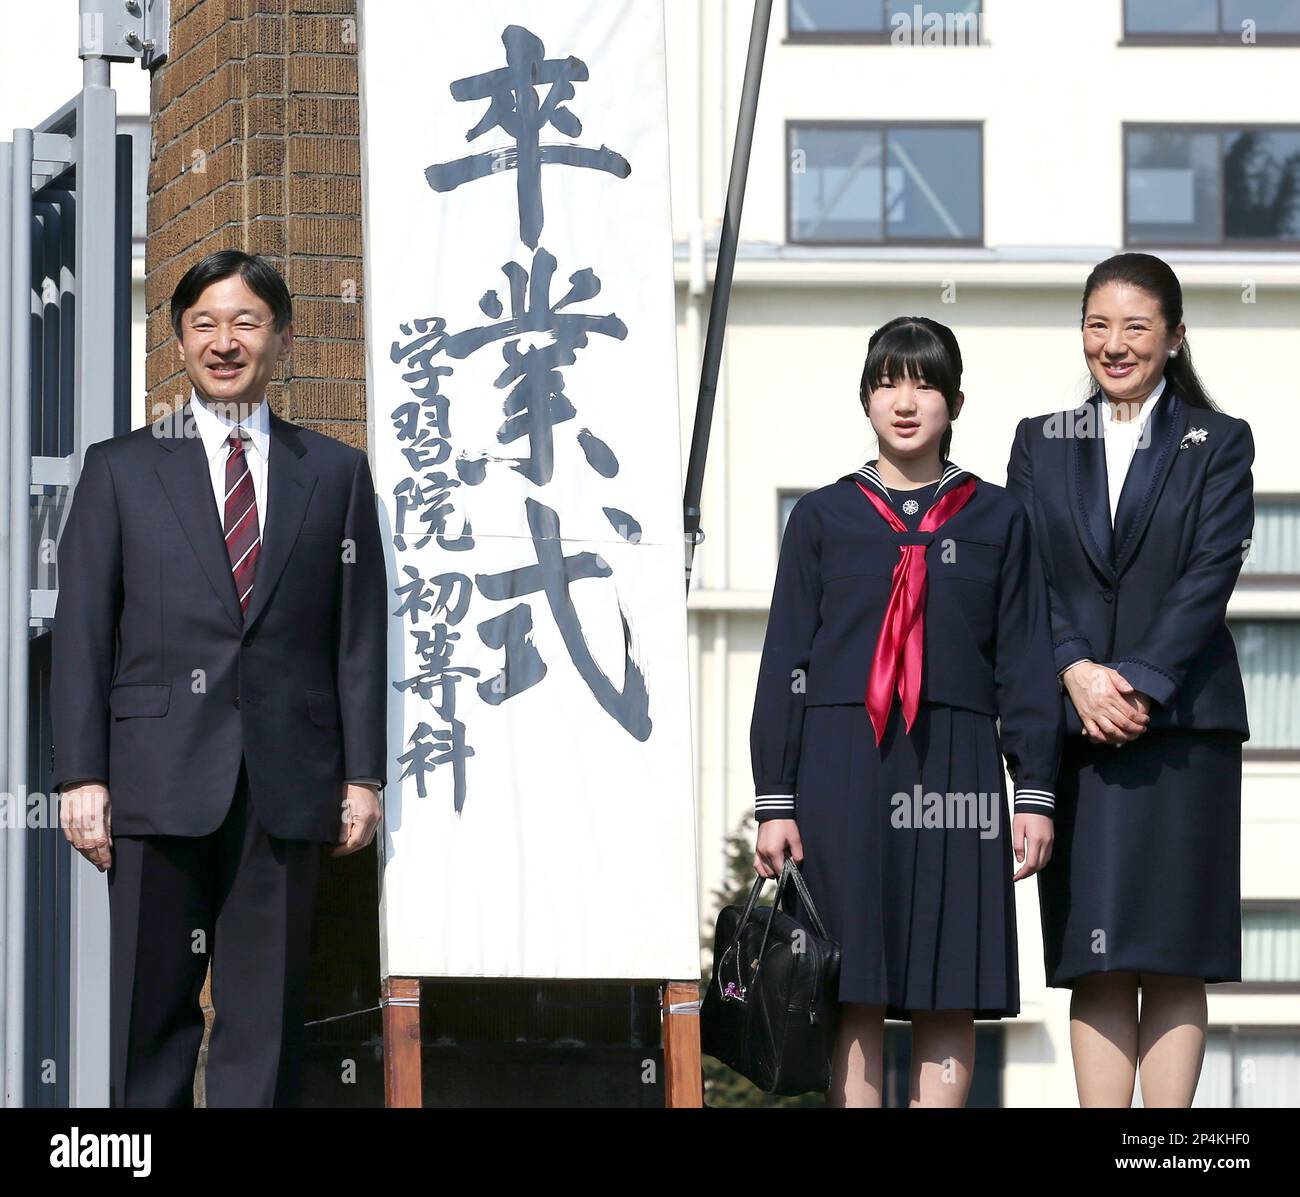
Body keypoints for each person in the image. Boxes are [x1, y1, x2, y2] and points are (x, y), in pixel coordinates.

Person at [51, 250, 389, 1107]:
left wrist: (362, 774)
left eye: (245, 322)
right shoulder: (120, 468)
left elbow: (357, 636)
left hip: (288, 783)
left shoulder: (335, 473)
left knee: (265, 1023)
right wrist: (81, 775)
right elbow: (83, 630)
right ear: (179, 342)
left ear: (282, 340)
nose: (224, 341)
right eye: (203, 323)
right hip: (154, 780)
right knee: (149, 1018)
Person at [751, 316, 1061, 1107]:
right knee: (848, 980)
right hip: (840, 763)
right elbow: (785, 661)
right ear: (865, 398)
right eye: (888, 382)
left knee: (947, 982)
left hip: (958, 762)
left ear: (956, 402)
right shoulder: (820, 517)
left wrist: (1033, 791)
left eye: (925, 383)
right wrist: (775, 799)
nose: (905, 400)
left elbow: (1026, 662)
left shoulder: (1000, 518)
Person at [1006, 252, 1254, 1108]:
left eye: (1136, 326)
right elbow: (1025, 575)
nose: (1113, 344)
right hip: (1079, 732)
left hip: (1182, 729)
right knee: (1097, 954)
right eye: (1097, 325)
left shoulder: (1219, 440)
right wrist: (1075, 670)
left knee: (1175, 954)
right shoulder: (1039, 441)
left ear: (1175, 336)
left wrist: (1140, 682)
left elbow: (1211, 572)